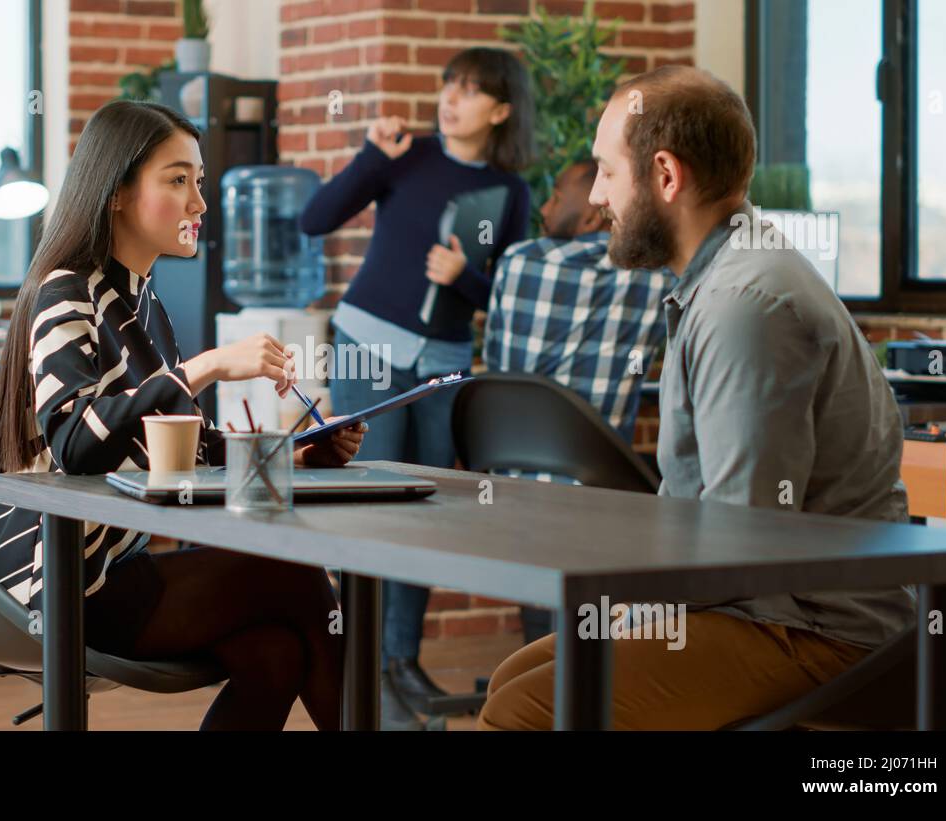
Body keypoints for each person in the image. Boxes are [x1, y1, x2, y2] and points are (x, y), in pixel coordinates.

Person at [479, 65, 913, 730]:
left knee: (525, 707)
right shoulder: (723, 276)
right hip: (759, 606)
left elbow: (745, 532)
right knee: (518, 675)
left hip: (812, 628)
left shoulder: (745, 304)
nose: (595, 197)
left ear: (665, 175)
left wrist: (641, 600)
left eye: (606, 171)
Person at [0, 100, 366, 731]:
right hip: (60, 584)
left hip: (113, 570)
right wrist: (205, 367)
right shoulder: (64, 291)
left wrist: (293, 456)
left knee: (276, 653)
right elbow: (77, 442)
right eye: (177, 179)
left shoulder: (146, 305)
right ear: (118, 192)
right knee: (293, 575)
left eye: (199, 182)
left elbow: (178, 446)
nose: (199, 203)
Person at [299, 46, 534, 729]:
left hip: (445, 361)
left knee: (424, 505)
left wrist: (463, 274)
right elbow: (316, 219)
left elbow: (505, 295)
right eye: (448, 86)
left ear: (500, 109)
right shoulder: (404, 154)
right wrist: (371, 156)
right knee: (370, 497)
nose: (450, 99)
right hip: (368, 341)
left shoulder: (511, 194)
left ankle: (400, 659)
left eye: (469, 91)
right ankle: (359, 666)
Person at [483, 158, 669, 642]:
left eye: (557, 194)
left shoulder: (518, 261)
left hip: (516, 484)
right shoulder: (650, 277)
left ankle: (542, 662)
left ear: (591, 214)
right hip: (598, 491)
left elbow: (498, 368)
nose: (544, 206)